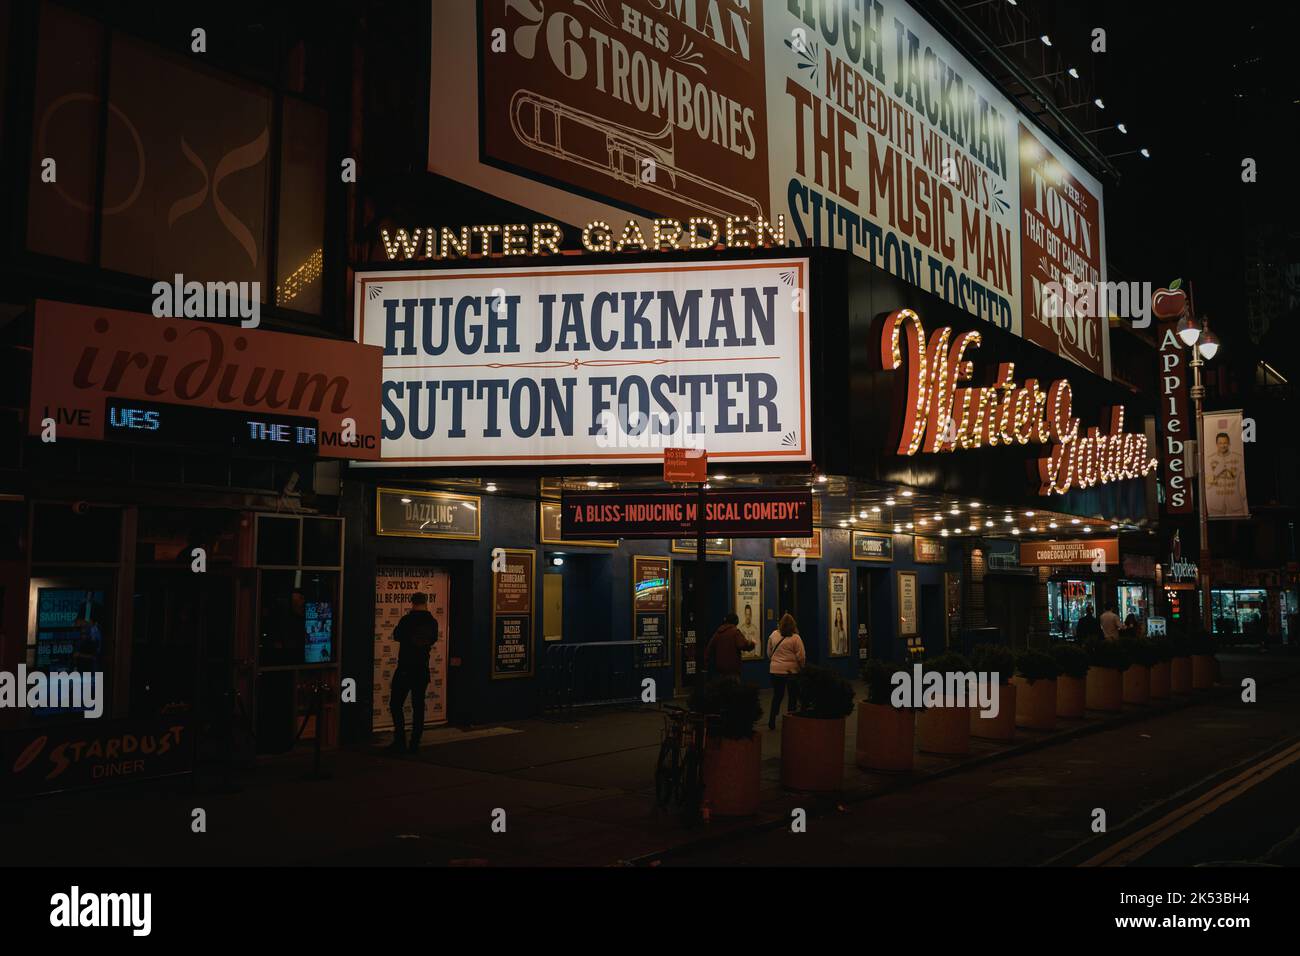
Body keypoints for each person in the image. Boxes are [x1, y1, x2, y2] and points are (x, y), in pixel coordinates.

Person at [388, 592, 439, 753]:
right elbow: (432, 639)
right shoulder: (433, 622)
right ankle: (415, 743)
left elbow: (397, 635)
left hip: (405, 668)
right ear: (426, 602)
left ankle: (400, 741)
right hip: (422, 669)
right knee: (418, 706)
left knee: (396, 704)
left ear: (412, 603)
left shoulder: (406, 620)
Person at [766, 613, 806, 730]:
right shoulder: (796, 638)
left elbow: (769, 652)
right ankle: (790, 720)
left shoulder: (773, 635)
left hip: (775, 671)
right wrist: (801, 667)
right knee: (792, 696)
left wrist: (775, 662)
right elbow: (801, 656)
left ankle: (772, 720)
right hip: (791, 672)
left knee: (777, 696)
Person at [704, 613, 754, 678]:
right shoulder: (735, 632)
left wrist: (705, 664)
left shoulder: (718, 633)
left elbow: (709, 648)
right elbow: (743, 645)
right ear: (736, 622)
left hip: (720, 669)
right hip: (733, 669)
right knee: (733, 687)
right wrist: (752, 643)